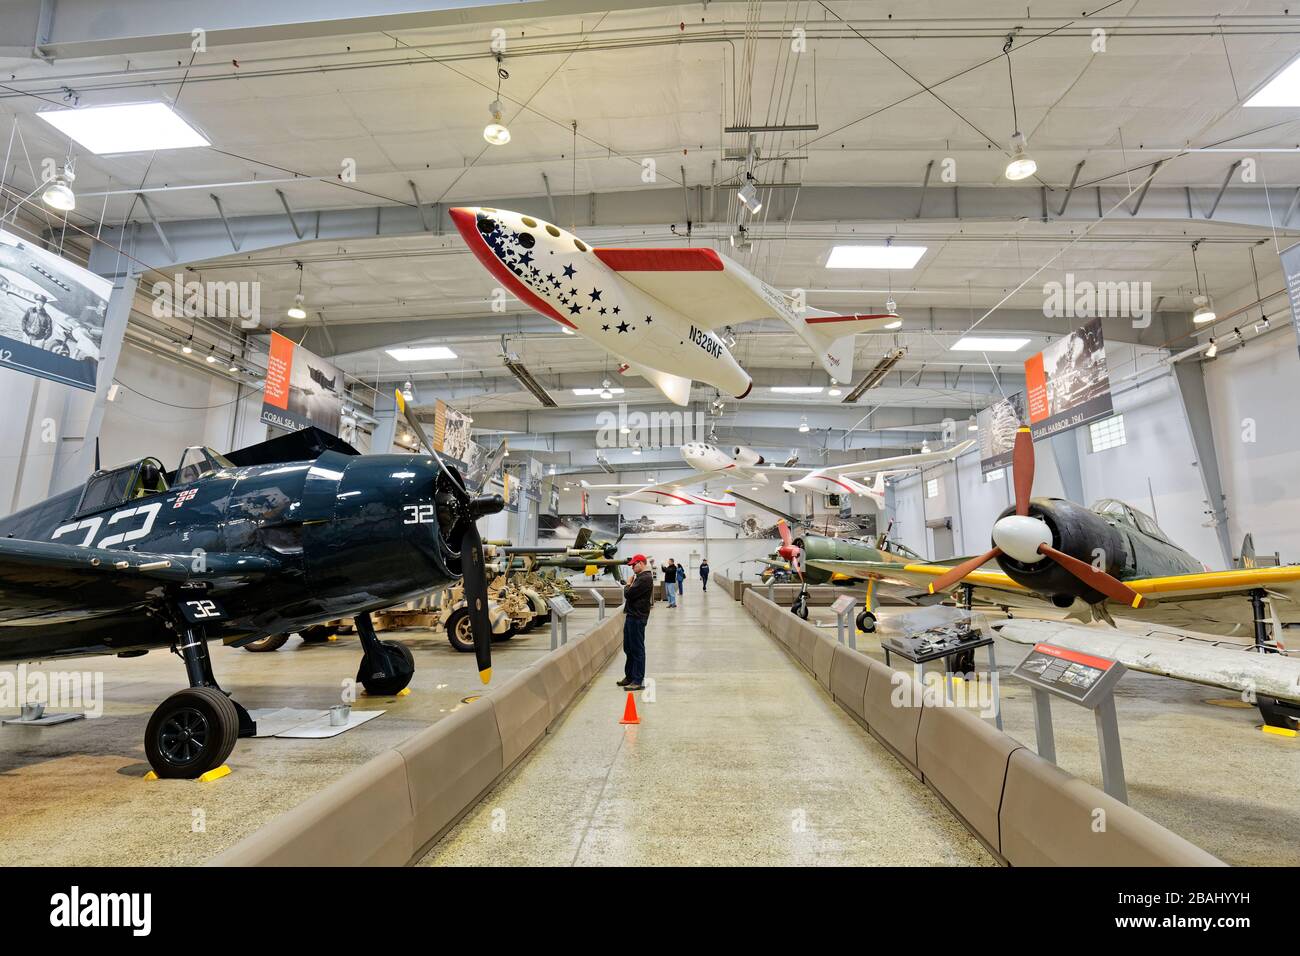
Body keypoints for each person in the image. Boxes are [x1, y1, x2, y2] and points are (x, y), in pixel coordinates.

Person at [619, 555, 652, 691]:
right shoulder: (639, 577)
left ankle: (638, 679)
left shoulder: (645, 578)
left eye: (634, 565)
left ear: (641, 563)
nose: (632, 567)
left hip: (637, 617)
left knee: (637, 649)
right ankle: (630, 676)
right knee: (628, 647)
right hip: (632, 616)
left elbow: (629, 594)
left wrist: (628, 584)